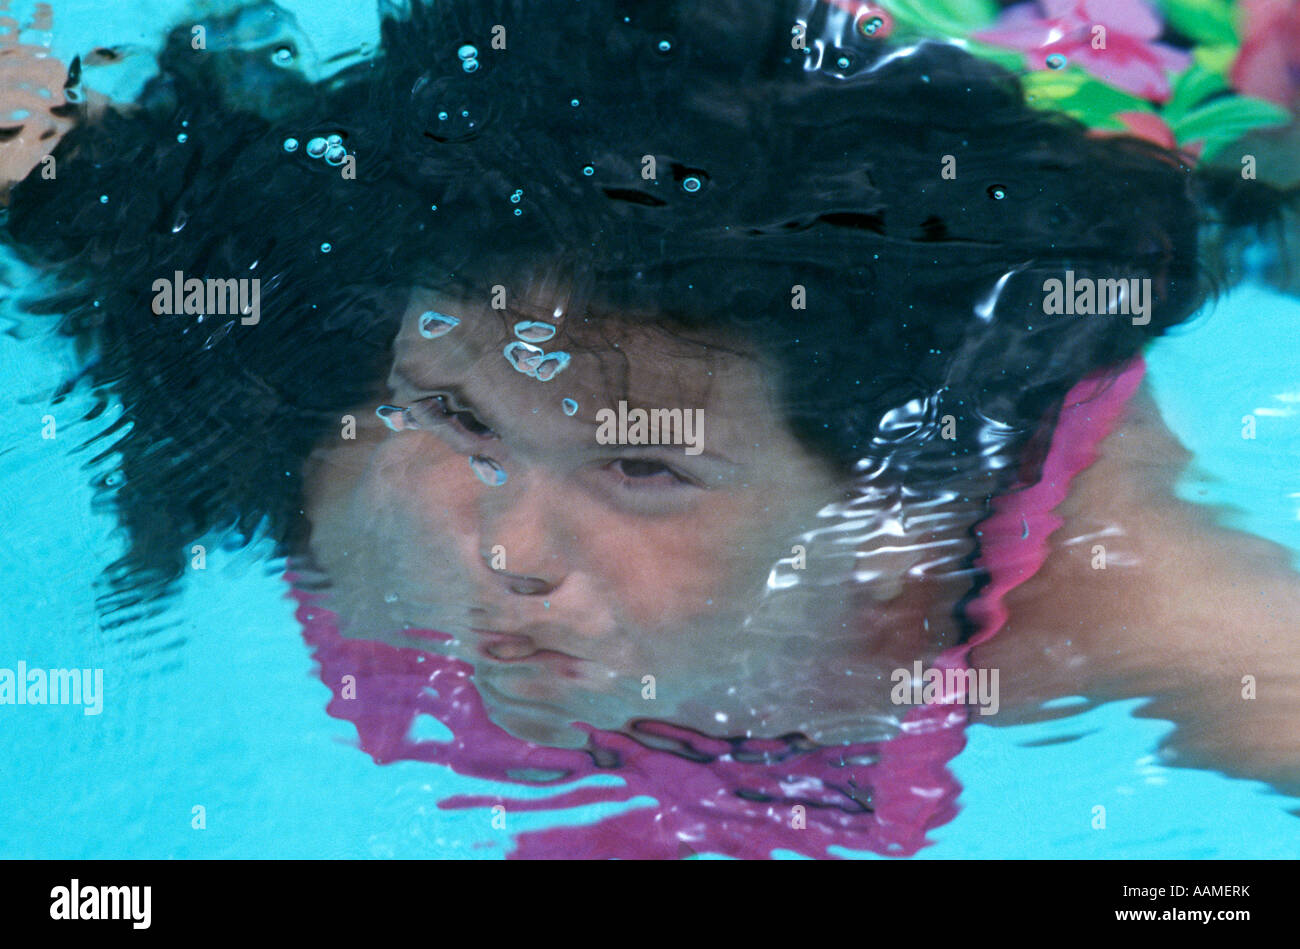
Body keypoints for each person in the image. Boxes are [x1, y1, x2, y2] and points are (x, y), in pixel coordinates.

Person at [4, 0, 1299, 854]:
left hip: (1103, 107)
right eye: (459, 414)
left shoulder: (1083, 600)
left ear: (873, 499)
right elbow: (44, 138)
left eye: (641, 465)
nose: (506, 545)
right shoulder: (322, 394)